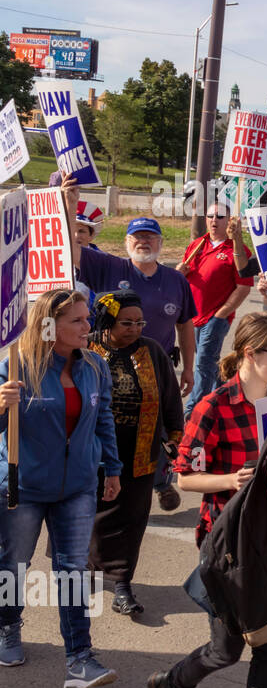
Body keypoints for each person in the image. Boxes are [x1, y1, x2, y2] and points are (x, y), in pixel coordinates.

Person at [148, 312, 267, 688]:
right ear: (250, 353)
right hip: (226, 543)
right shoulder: (214, 406)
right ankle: (170, 685)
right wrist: (232, 480)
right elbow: (185, 480)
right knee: (226, 650)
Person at [0, 290, 122, 688]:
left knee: (72, 570)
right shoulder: (16, 366)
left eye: (87, 318)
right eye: (78, 321)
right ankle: (7, 626)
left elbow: (103, 417)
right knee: (14, 565)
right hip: (25, 486)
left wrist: (111, 468)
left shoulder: (95, 366)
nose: (89, 326)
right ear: (49, 325)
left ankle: (80, 660)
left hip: (78, 487)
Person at [71, 206, 197, 510]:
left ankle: (160, 482)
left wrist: (189, 369)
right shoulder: (109, 267)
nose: (143, 242)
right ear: (126, 242)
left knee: (157, 431)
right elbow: (70, 248)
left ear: (160, 243)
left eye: (150, 237)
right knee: (107, 425)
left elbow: (186, 324)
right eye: (137, 236)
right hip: (105, 366)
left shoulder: (175, 280)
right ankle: (101, 483)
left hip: (158, 368)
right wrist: (66, 202)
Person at [86, 290, 184, 615]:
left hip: (140, 450)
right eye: (126, 323)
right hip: (90, 453)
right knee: (88, 516)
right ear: (107, 322)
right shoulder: (85, 351)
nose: (135, 329)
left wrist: (174, 436)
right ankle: (83, 569)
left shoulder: (152, 351)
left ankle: (123, 585)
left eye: (139, 322)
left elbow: (171, 398)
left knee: (131, 517)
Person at [177, 202, 254, 416]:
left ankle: (193, 414)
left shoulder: (238, 250)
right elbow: (184, 277)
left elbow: (244, 288)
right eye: (210, 215)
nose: (213, 220)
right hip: (191, 316)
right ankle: (223, 401)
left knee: (202, 364)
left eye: (220, 216)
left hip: (215, 318)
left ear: (229, 221)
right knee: (210, 363)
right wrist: (178, 273)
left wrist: (221, 315)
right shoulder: (197, 245)